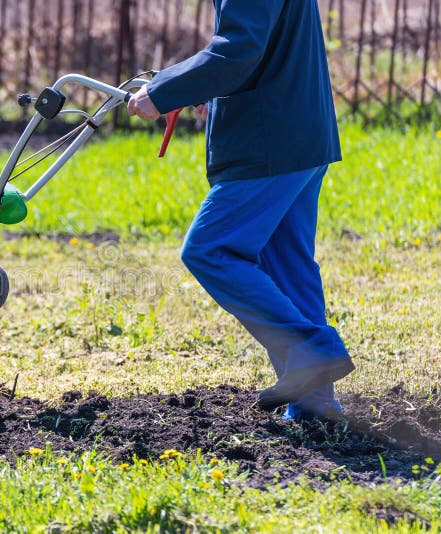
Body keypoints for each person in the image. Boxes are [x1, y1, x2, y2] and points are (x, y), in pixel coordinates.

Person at [127, 0, 354, 419]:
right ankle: (314, 405)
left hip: (268, 139)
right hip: (299, 130)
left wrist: (161, 92)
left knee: (211, 249)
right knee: (288, 265)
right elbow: (264, 50)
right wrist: (205, 90)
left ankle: (310, 349)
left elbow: (237, 50)